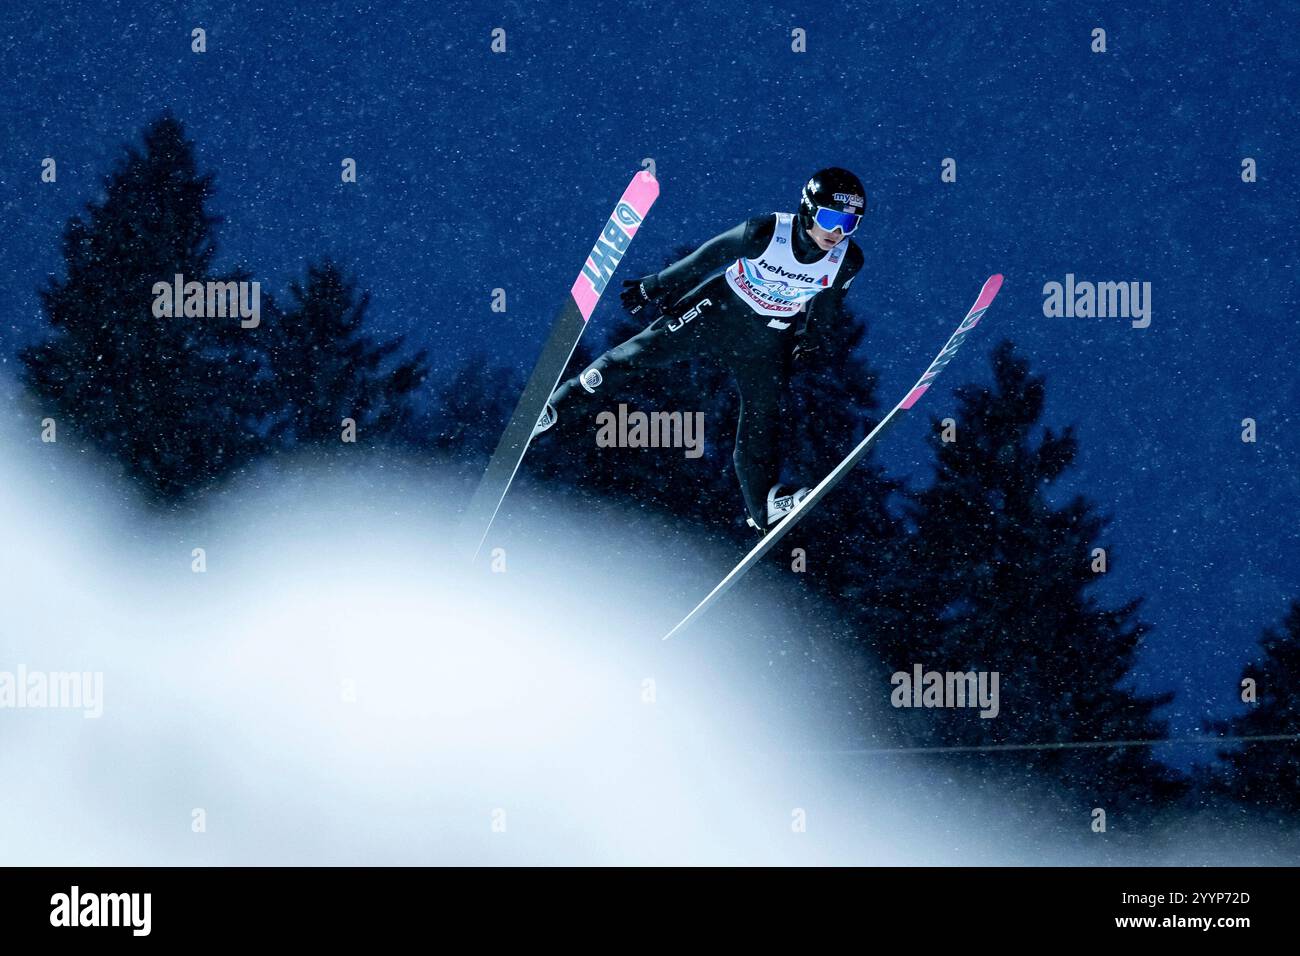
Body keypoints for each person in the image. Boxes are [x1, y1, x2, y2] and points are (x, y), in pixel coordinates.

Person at [535, 167, 866, 534]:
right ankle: (553, 409)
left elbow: (828, 305)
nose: (837, 233)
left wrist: (813, 340)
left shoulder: (846, 260)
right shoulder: (766, 232)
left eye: (850, 224)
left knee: (763, 415)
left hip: (766, 338)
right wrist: (656, 285)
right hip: (719, 311)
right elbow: (705, 259)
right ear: (808, 209)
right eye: (831, 219)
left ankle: (763, 507)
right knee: (634, 356)